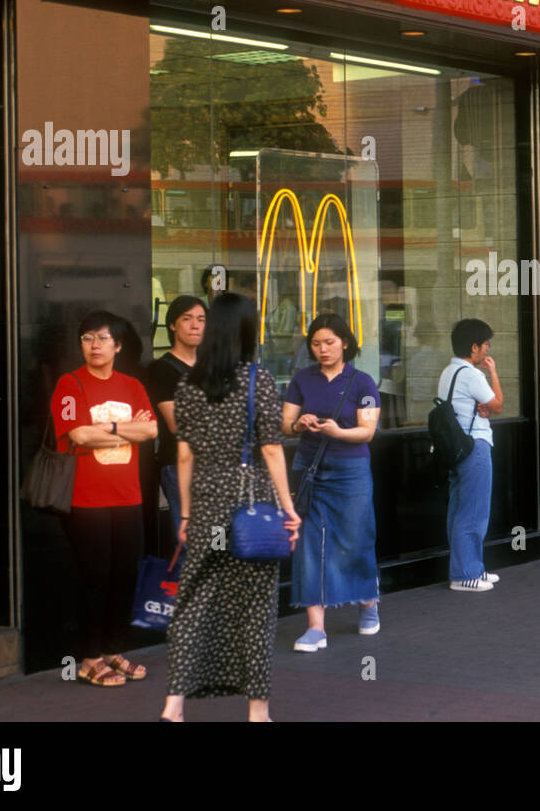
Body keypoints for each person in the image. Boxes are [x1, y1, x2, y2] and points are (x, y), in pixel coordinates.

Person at [160, 293, 301, 722]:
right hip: (250, 509)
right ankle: (257, 712)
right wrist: (289, 508)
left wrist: (184, 513)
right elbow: (273, 451)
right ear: (247, 331)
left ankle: (174, 706)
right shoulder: (256, 380)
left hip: (205, 507)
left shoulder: (188, 384)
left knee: (193, 604)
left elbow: (183, 456)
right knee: (255, 609)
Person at [52, 309, 158, 688]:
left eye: (101, 338)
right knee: (94, 577)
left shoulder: (131, 385)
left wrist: (109, 428)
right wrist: (125, 433)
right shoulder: (70, 384)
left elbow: (150, 429)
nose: (94, 345)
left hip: (128, 496)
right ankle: (89, 658)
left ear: (118, 345)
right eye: (87, 338)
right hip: (85, 499)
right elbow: (77, 435)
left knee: (124, 575)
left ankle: (113, 649)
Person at [284, 313, 382, 650]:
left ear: (344, 342)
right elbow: (285, 424)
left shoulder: (363, 381)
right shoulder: (302, 379)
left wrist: (337, 432)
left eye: (329, 342)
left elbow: (367, 431)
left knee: (355, 538)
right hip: (310, 467)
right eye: (316, 343)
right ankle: (315, 627)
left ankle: (368, 600)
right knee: (309, 546)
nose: (323, 349)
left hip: (350, 470)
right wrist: (300, 425)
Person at [438, 319, 504, 591]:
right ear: (474, 347)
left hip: (455, 448)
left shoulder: (448, 372)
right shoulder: (472, 374)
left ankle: (471, 566)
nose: (488, 350)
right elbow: (498, 405)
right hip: (474, 445)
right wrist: (494, 373)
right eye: (486, 344)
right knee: (474, 512)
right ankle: (465, 574)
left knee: (458, 510)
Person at [146, 296, 207, 542]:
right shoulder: (161, 370)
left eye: (201, 319)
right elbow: (178, 425)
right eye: (187, 319)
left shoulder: (212, 367)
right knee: (191, 543)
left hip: (218, 468)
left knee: (218, 542)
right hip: (180, 466)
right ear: (172, 325)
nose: (195, 325)